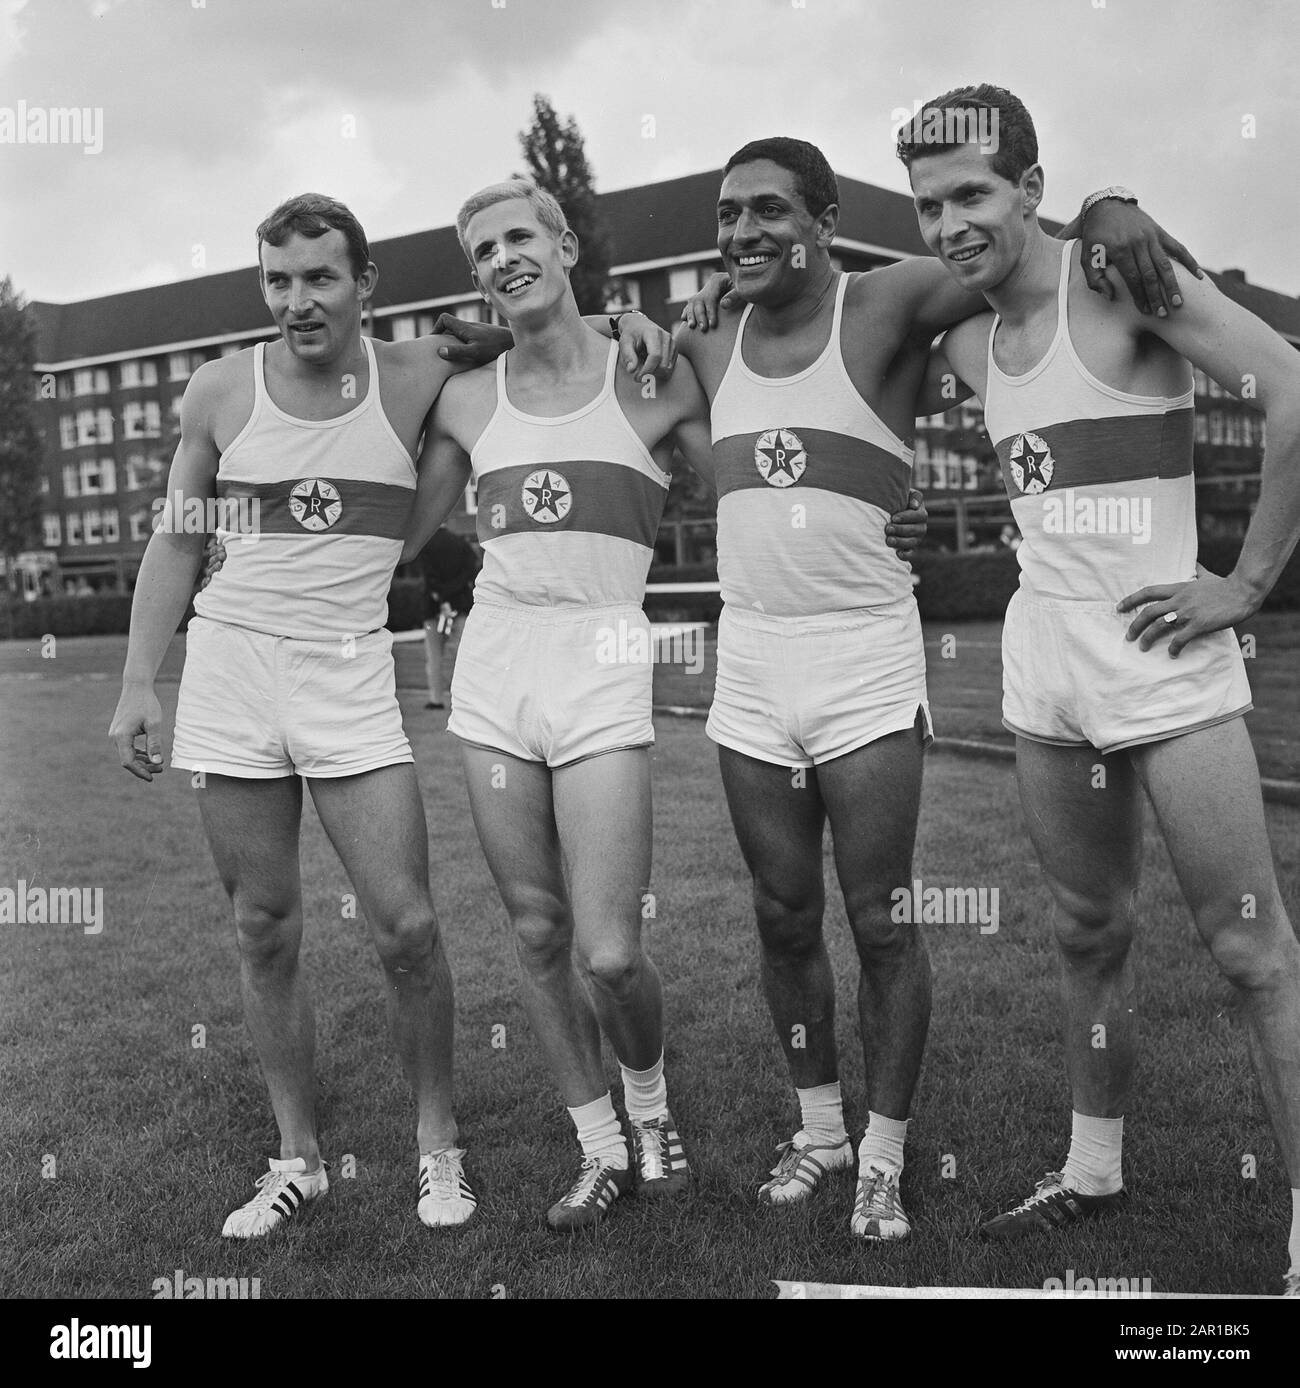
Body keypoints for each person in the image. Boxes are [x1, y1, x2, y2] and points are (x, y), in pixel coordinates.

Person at [109, 192, 670, 1239]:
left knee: (407, 927)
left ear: (363, 286)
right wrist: (142, 678)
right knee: (261, 925)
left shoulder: (420, 375)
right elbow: (181, 540)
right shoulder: (219, 389)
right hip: (231, 670)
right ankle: (298, 1158)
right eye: (278, 280)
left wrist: (625, 324)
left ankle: (436, 1148)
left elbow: (535, 335)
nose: (297, 301)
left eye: (320, 277)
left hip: (349, 669)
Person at [672, 137, 1194, 1241]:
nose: (743, 232)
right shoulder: (706, 336)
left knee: (885, 919)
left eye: (769, 211)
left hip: (861, 653)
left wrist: (1108, 199)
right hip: (752, 664)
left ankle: (882, 1154)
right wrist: (629, 322)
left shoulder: (890, 298)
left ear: (821, 220)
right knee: (780, 914)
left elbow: (1019, 256)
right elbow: (563, 356)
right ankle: (818, 1131)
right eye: (727, 216)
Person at [902, 84, 1300, 1294]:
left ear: (1030, 188)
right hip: (1046, 665)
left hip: (1165, 659)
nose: (950, 223)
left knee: (1250, 953)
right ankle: (1091, 1169)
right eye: (930, 205)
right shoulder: (966, 337)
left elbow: (1293, 385)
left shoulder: (1119, 275)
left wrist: (1245, 584)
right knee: (1086, 932)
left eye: (972, 194)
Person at [416, 525, 479, 709]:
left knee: (434, 655)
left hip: (434, 609)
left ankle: (436, 699)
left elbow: (429, 577)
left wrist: (442, 596)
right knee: (462, 655)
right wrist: (453, 593)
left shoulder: (426, 543)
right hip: (459, 606)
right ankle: (464, 699)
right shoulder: (461, 543)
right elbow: (471, 572)